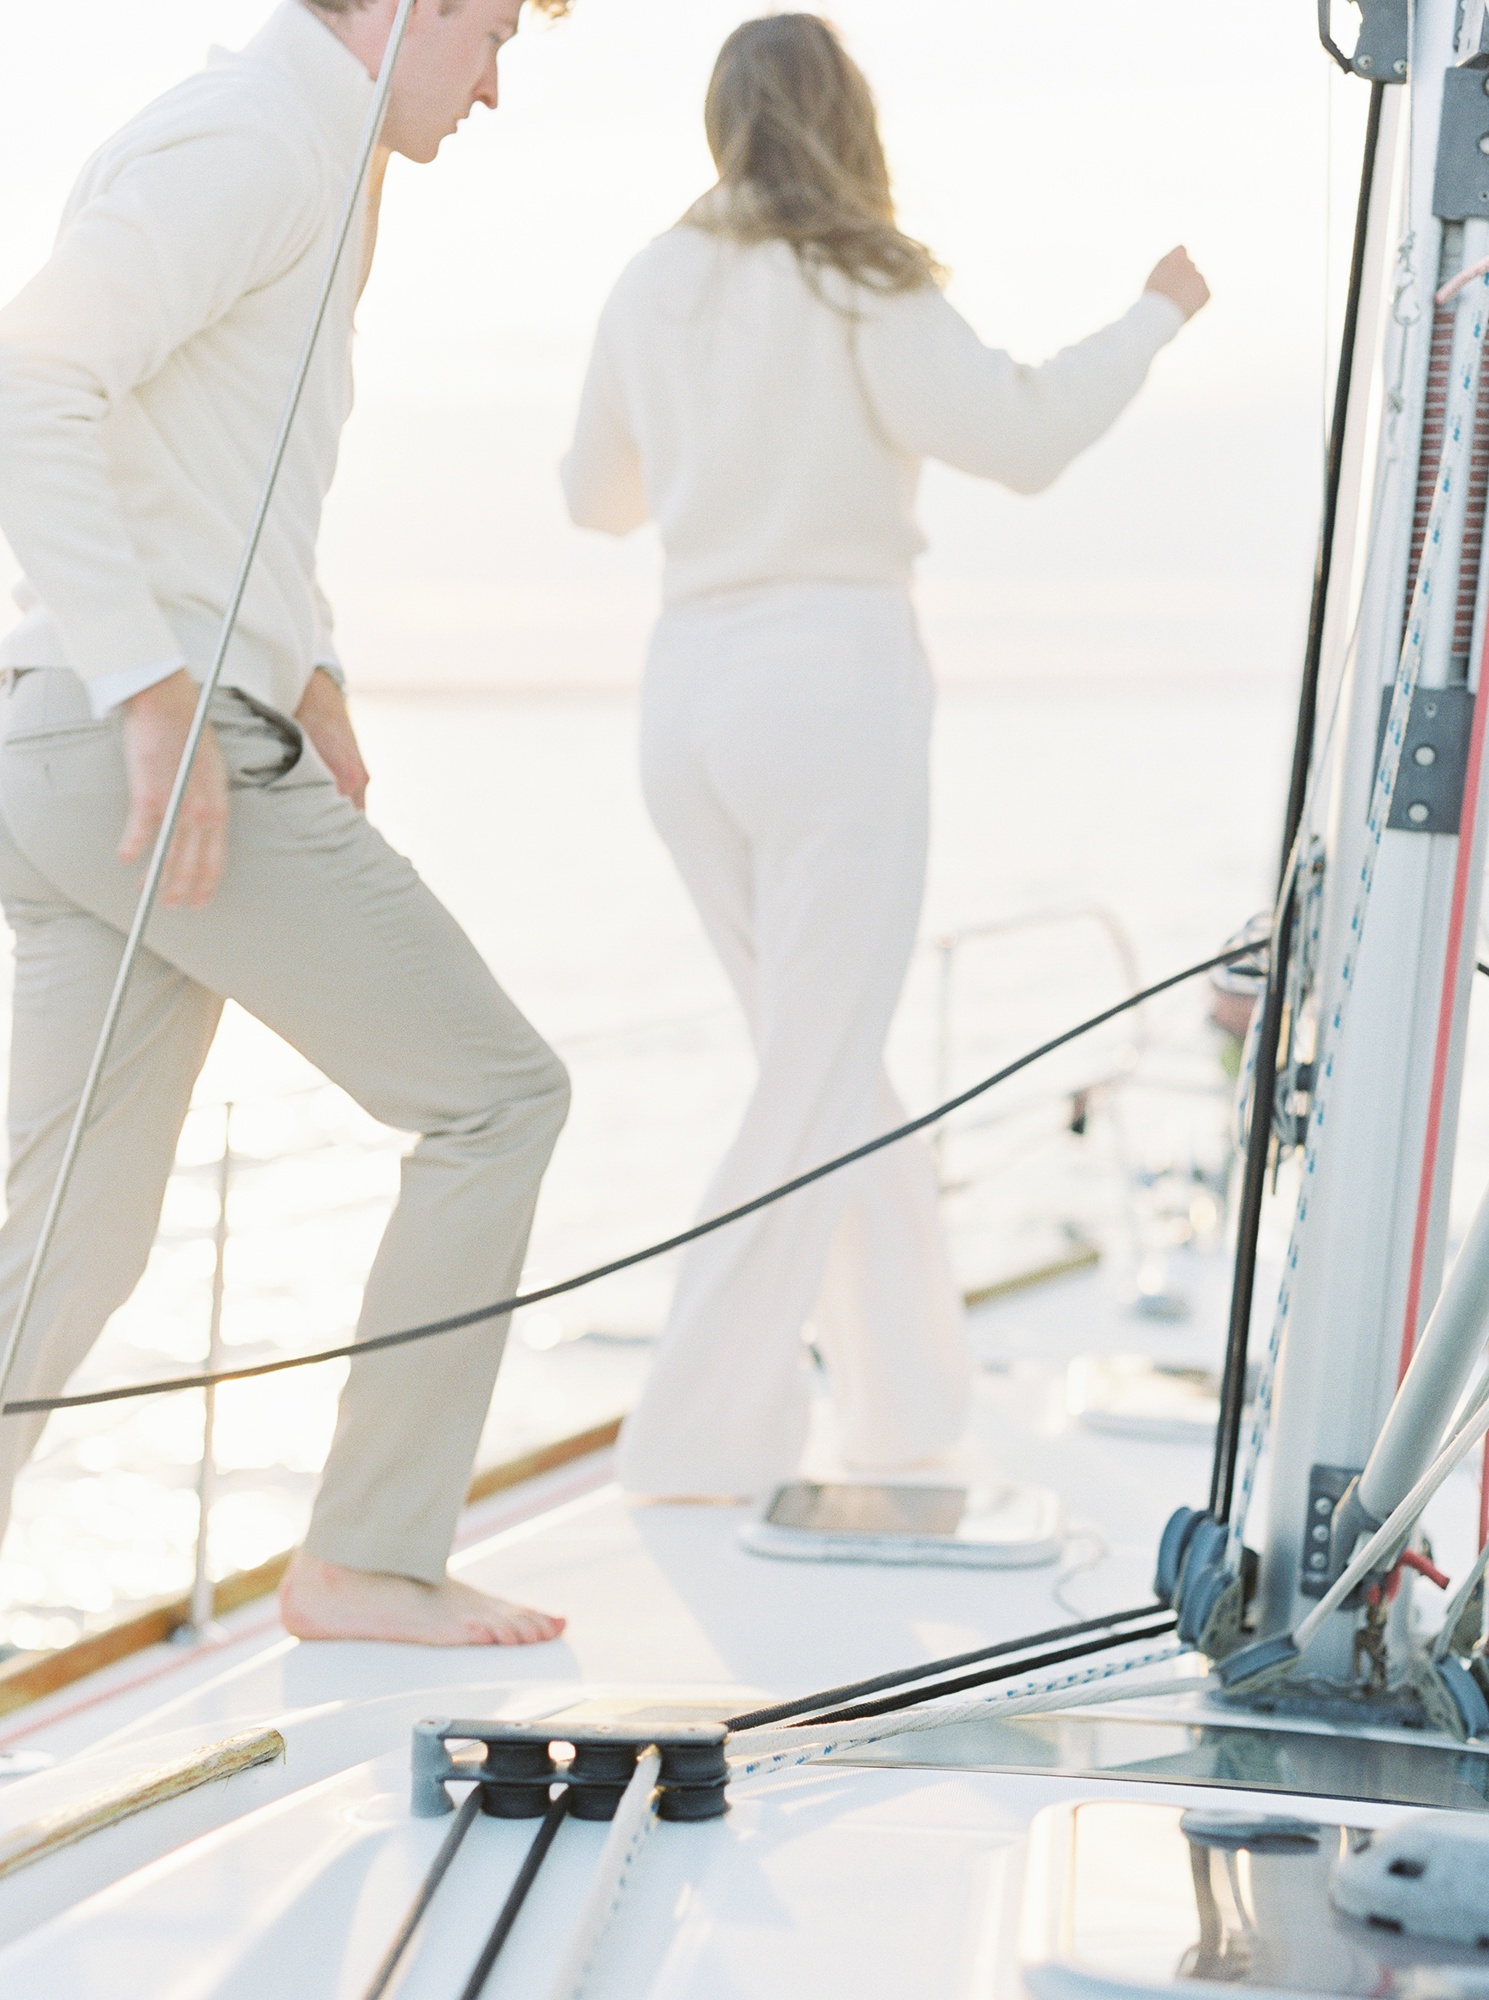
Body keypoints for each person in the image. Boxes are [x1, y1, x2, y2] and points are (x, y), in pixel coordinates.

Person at [563, 13, 1209, 1500]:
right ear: (846, 120)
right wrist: (1153, 314)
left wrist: (712, 436)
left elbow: (596, 499)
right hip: (827, 686)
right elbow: (1026, 435)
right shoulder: (862, 274)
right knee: (810, 1075)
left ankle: (905, 1401)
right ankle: (691, 1439)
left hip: (684, 697)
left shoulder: (647, 282)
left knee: (824, 1064)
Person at [0, 0, 575, 1646]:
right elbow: (28, 379)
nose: (493, 87)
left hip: (68, 748)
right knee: (498, 1100)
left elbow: (213, 463)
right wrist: (158, 695)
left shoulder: (305, 153)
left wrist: (303, 665)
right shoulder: (256, 140)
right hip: (137, 751)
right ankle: (369, 1560)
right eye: (490, 38)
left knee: (70, 1243)